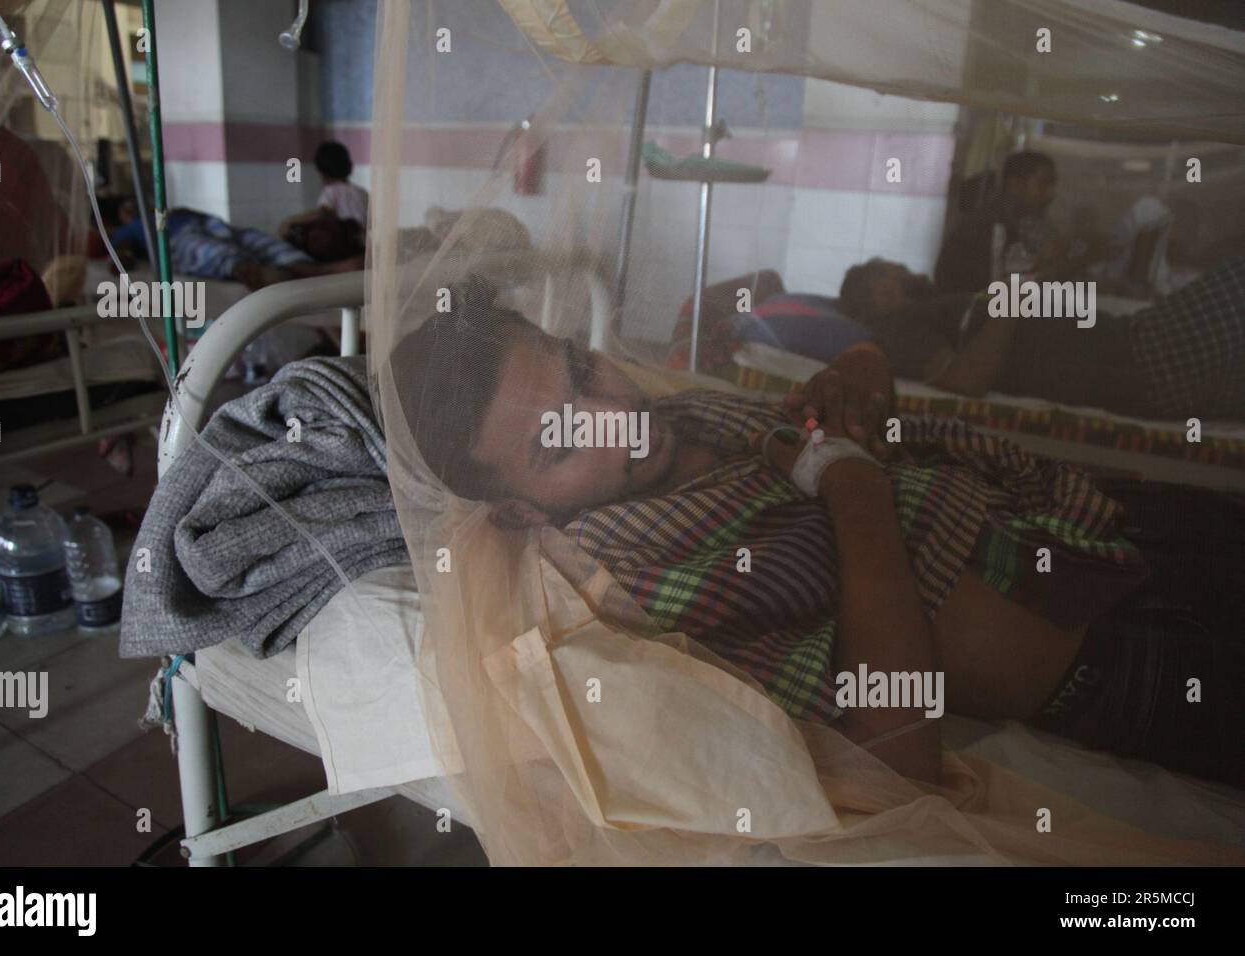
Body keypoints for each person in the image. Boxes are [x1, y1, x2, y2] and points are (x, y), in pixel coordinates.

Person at [388, 276, 1244, 787]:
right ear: (521, 511)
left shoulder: (689, 420)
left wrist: (862, 371)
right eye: (560, 441)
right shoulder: (632, 573)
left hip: (1112, 523)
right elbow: (898, 745)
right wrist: (853, 487)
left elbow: (831, 435)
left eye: (582, 369)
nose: (616, 416)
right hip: (1132, 652)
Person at [838, 256, 1245, 419]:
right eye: (894, 268)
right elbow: (967, 380)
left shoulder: (928, 311)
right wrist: (1011, 300)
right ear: (880, 291)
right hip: (1148, 358)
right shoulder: (896, 330)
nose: (907, 269)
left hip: (1141, 346)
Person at [934, 151, 1097, 294]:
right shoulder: (990, 227)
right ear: (1016, 185)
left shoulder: (1016, 227)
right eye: (1043, 184)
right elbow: (1000, 293)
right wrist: (1062, 262)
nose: (1051, 194)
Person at [108, 199, 360, 290]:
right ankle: (262, 275)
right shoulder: (128, 231)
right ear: (118, 218)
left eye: (132, 202)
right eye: (125, 208)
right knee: (222, 255)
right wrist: (122, 258)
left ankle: (320, 271)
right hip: (177, 240)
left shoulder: (164, 211)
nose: (132, 206)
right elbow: (122, 251)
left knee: (263, 243)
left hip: (213, 225)